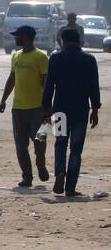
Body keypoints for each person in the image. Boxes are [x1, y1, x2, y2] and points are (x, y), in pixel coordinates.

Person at [43, 27, 101, 197]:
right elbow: (94, 86)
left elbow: (49, 86)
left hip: (60, 110)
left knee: (60, 143)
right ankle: (70, 187)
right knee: (76, 150)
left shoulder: (55, 58)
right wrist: (95, 108)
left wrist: (46, 107)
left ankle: (60, 172)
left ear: (62, 40)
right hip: (81, 112)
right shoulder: (89, 59)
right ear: (79, 41)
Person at [0, 25, 49, 187]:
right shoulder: (16, 56)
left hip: (37, 108)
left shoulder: (40, 57)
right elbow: (12, 78)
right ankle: (27, 176)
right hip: (18, 108)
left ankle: (40, 165)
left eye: (17, 36)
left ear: (26, 37)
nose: (15, 39)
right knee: (20, 145)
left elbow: (45, 82)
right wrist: (3, 99)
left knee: (39, 140)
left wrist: (47, 106)